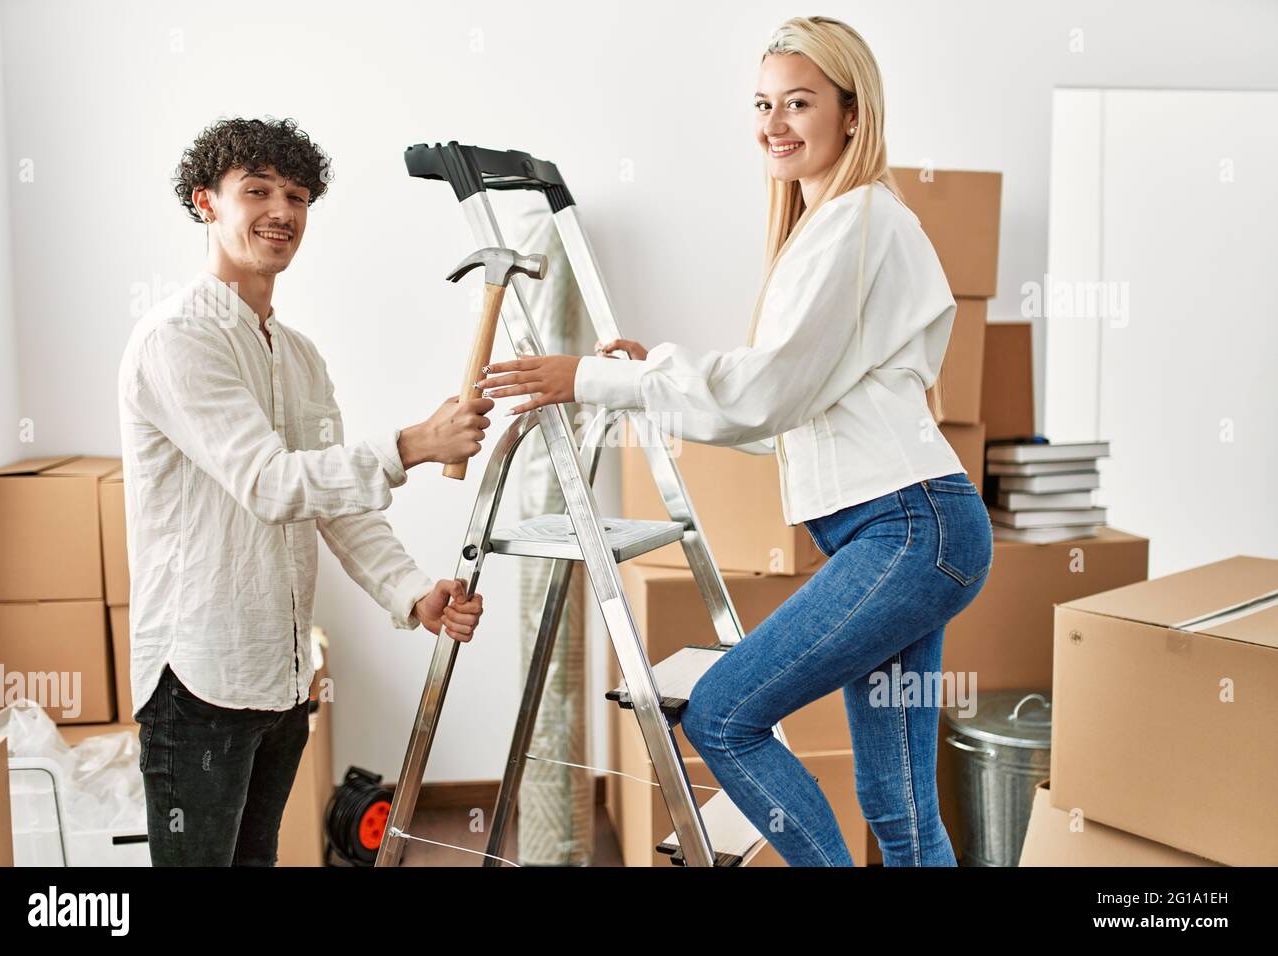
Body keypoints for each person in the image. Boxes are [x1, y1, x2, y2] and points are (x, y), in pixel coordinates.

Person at [478, 17, 993, 866]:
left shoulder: (858, 225)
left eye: (799, 102)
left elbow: (763, 394)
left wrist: (591, 379)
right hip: (913, 528)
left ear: (854, 114)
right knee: (896, 806)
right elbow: (791, 417)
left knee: (724, 713)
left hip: (909, 529)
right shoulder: (835, 226)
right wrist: (650, 383)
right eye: (762, 104)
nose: (774, 124)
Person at [117, 116, 491, 866]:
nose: (281, 212)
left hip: (282, 673)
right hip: (198, 678)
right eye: (256, 191)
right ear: (205, 202)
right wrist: (412, 445)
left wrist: (410, 590)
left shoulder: (299, 356)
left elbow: (333, 501)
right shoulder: (177, 340)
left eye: (296, 195)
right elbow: (270, 483)